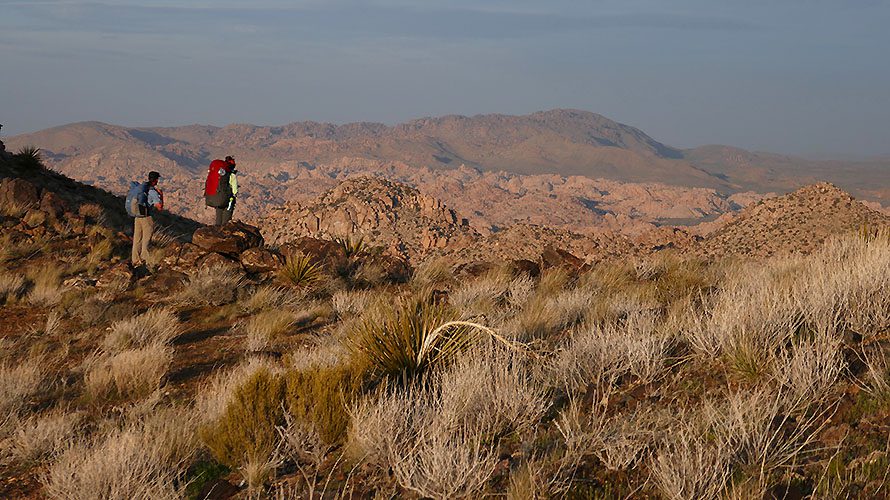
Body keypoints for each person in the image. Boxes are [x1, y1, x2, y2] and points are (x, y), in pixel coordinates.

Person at [131, 171, 164, 268]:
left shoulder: (142, 188)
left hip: (138, 217)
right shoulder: (153, 191)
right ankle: (145, 259)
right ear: (156, 180)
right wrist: (161, 195)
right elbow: (160, 207)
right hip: (146, 217)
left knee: (137, 239)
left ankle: (135, 259)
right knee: (146, 239)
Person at [204, 155, 238, 226]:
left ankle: (217, 230)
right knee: (226, 218)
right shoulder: (232, 175)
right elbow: (235, 190)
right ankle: (223, 231)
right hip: (227, 200)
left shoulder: (221, 174)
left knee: (219, 214)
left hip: (218, 197)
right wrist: (234, 196)